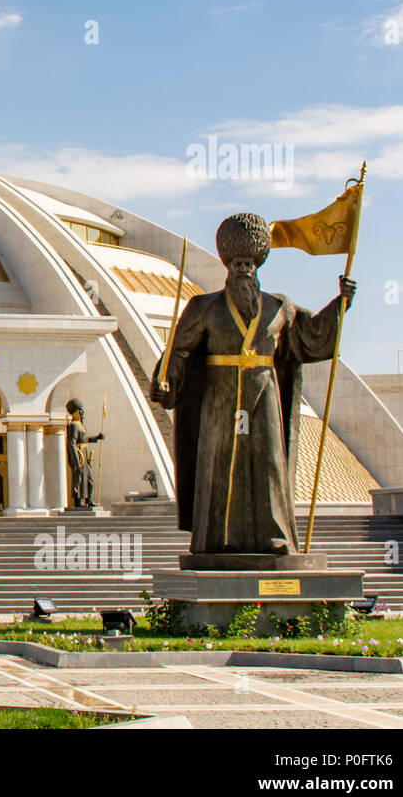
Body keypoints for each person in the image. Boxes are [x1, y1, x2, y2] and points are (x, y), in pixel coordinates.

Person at [151, 212, 355, 555]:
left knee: (269, 463)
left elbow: (311, 338)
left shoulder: (278, 307)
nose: (243, 268)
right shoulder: (204, 306)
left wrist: (341, 304)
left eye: (249, 262)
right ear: (228, 265)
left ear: (258, 263)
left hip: (265, 394)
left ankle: (274, 537)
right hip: (220, 395)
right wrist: (166, 381)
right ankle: (216, 539)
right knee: (219, 463)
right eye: (237, 262)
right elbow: (179, 351)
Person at [65, 399, 104, 507]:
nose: (83, 413)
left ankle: (89, 499)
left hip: (84, 453)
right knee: (79, 479)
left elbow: (84, 439)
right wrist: (76, 461)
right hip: (79, 455)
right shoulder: (74, 425)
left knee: (89, 479)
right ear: (76, 412)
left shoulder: (80, 425)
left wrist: (96, 437)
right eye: (80, 411)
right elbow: (71, 443)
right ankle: (78, 501)